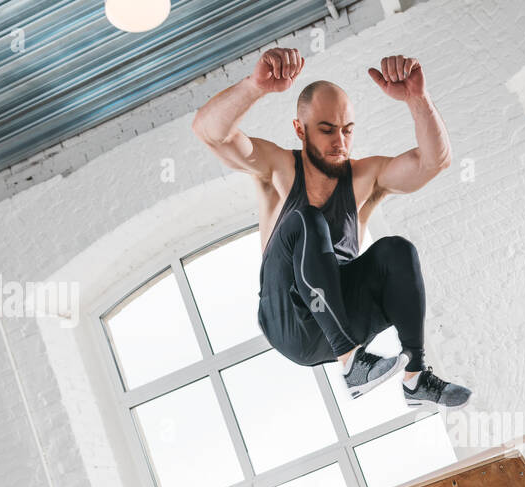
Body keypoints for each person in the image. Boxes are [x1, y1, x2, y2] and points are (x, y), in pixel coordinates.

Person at [191, 48, 471, 409]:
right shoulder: (277, 167)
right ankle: (351, 362)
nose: (339, 142)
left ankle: (415, 378)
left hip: (341, 313)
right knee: (307, 218)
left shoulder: (366, 176)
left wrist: (418, 99)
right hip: (289, 320)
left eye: (346, 130)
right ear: (299, 130)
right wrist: (255, 86)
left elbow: (435, 161)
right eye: (326, 130)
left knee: (397, 249)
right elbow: (209, 132)